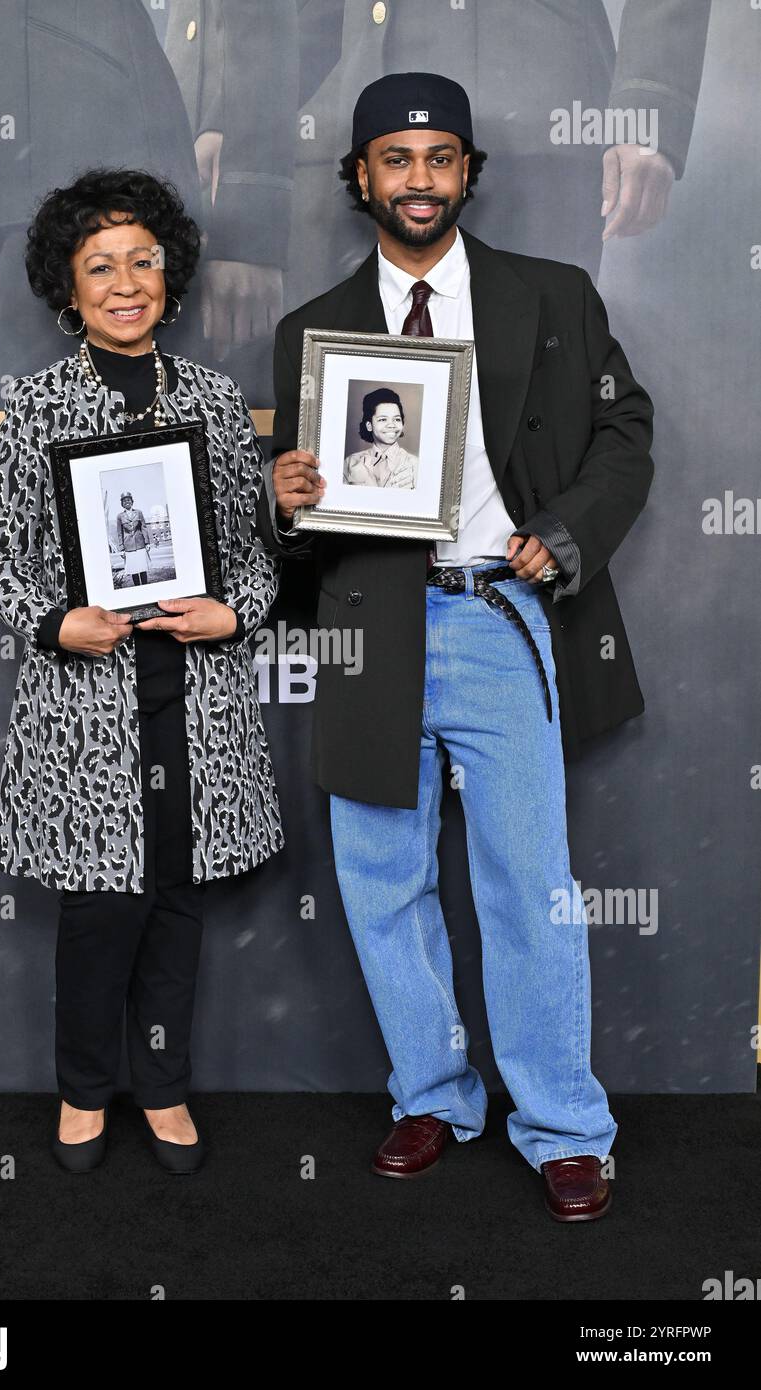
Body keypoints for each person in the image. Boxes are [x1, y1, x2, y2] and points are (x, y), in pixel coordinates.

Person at [262, 73, 654, 1221]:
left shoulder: (552, 295)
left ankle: (564, 1125)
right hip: (363, 627)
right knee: (383, 882)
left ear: (468, 171)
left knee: (528, 888)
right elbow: (295, 531)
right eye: (395, 158)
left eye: (440, 157)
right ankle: (430, 1092)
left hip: (497, 614)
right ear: (360, 179)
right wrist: (284, 501)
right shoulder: (310, 330)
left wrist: (563, 534)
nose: (419, 178)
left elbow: (625, 434)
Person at [0, 167, 283, 1175]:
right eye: (98, 266)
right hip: (86, 700)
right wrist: (58, 622)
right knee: (101, 907)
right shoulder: (35, 404)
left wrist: (233, 608)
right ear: (68, 289)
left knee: (178, 900)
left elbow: (251, 554)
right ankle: (82, 1087)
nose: (123, 283)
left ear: (170, 274)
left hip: (193, 697)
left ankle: (164, 1086)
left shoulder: (212, 397)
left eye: (141, 261)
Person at [343, 388, 419, 488]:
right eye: (383, 419)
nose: (392, 425)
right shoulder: (351, 462)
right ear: (369, 425)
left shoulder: (415, 464)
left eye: (397, 419)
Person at [116, 491, 152, 585]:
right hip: (129, 547)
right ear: (122, 504)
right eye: (124, 501)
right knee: (134, 571)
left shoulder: (139, 513)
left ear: (132, 501)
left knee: (143, 569)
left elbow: (144, 527)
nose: (127, 502)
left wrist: (147, 542)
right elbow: (119, 533)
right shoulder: (120, 516)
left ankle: (145, 587)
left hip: (140, 545)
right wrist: (121, 548)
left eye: (128, 500)